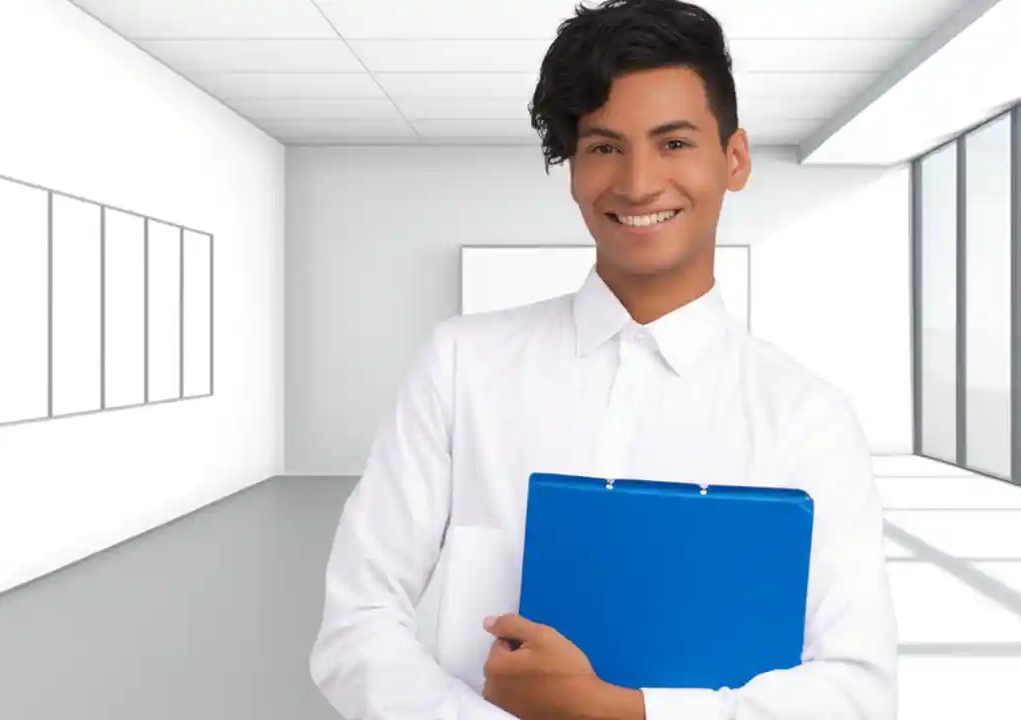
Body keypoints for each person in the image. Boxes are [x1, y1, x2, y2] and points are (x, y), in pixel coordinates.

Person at [308, 0, 897, 718]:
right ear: (574, 168)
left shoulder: (807, 417)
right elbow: (355, 628)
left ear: (734, 159)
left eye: (674, 143)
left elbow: (855, 693)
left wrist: (620, 713)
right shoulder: (461, 366)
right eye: (604, 146)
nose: (639, 183)